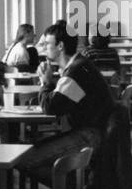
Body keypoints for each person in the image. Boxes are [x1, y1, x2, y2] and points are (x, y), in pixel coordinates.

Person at [20, 21, 115, 178]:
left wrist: (44, 82)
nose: (43, 47)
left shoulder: (75, 72)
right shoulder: (78, 65)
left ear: (60, 46)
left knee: (25, 159)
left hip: (89, 136)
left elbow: (51, 108)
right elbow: (59, 101)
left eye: (47, 43)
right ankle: (75, 188)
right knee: (29, 152)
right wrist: (49, 84)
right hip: (95, 131)